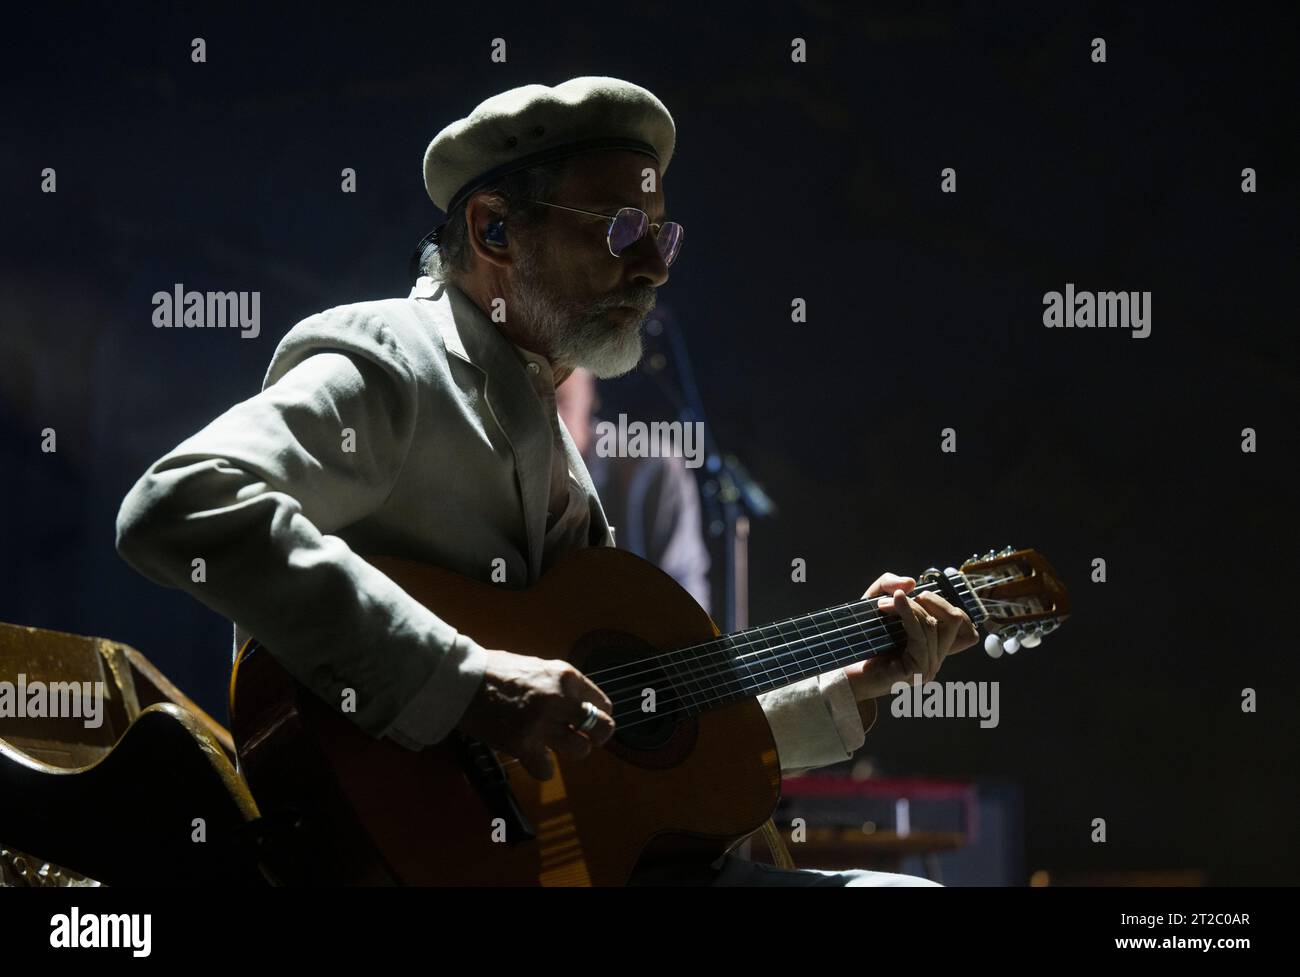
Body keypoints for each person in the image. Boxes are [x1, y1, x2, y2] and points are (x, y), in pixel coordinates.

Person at [115, 76, 978, 886]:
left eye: (660, 234)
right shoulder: (388, 361)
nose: (654, 267)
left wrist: (844, 683)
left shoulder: (547, 435)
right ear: (494, 231)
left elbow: (628, 732)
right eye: (618, 231)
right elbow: (181, 501)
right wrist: (466, 681)